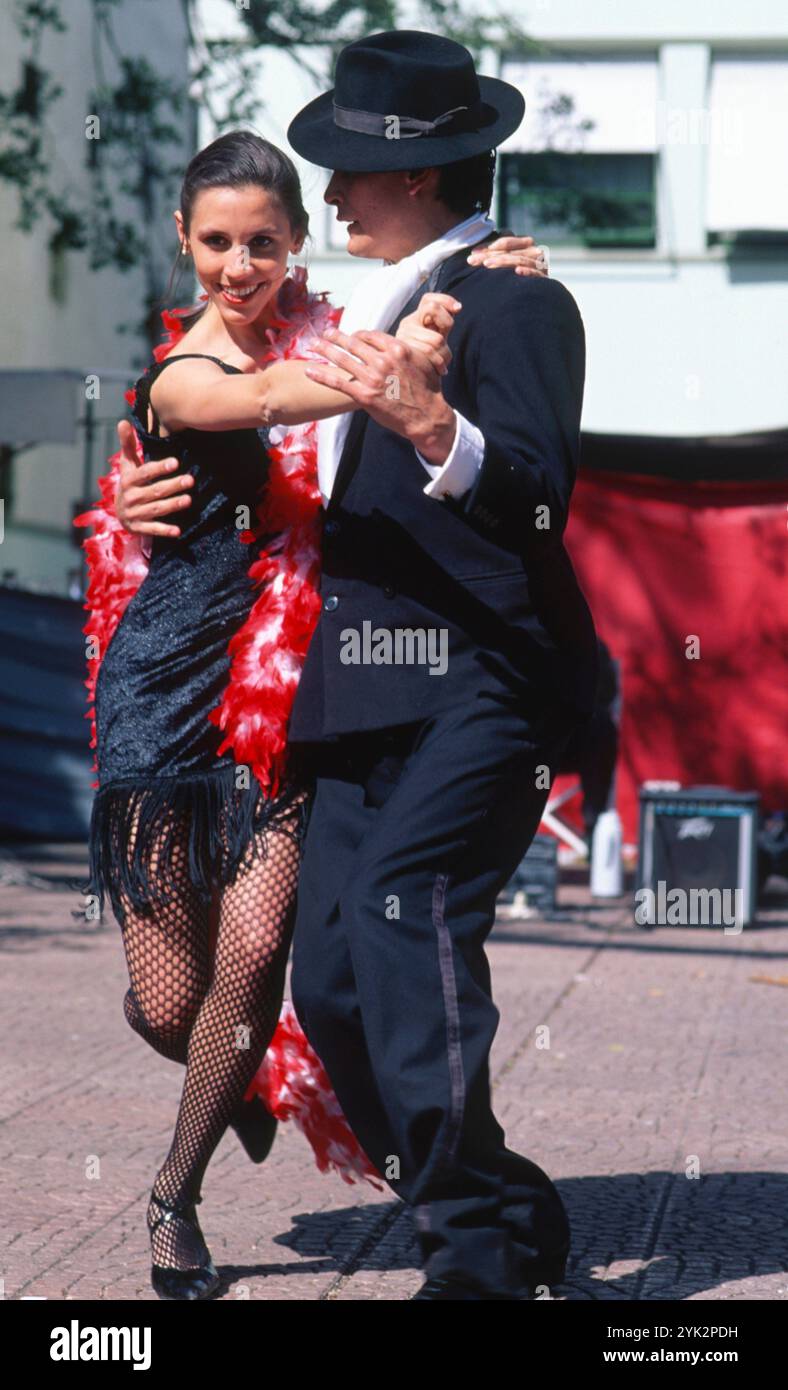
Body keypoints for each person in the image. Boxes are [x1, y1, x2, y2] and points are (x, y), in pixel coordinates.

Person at [82, 127, 542, 1301]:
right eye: (219, 244)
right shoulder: (181, 374)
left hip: (292, 695)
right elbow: (278, 395)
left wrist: (465, 282)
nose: (241, 267)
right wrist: (429, 312)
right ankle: (230, 1078)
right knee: (173, 1002)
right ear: (183, 244)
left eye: (265, 243)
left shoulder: (332, 314)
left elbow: (357, 397)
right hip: (164, 699)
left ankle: (170, 1201)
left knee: (251, 966)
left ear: (293, 244)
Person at [279, 29, 601, 1301]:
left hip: (490, 677)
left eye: (349, 172)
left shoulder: (519, 301)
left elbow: (536, 507)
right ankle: (501, 1201)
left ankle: (474, 1264)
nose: (329, 197)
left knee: (404, 921)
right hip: (357, 683)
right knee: (333, 981)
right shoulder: (336, 307)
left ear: (414, 179)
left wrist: (430, 424)